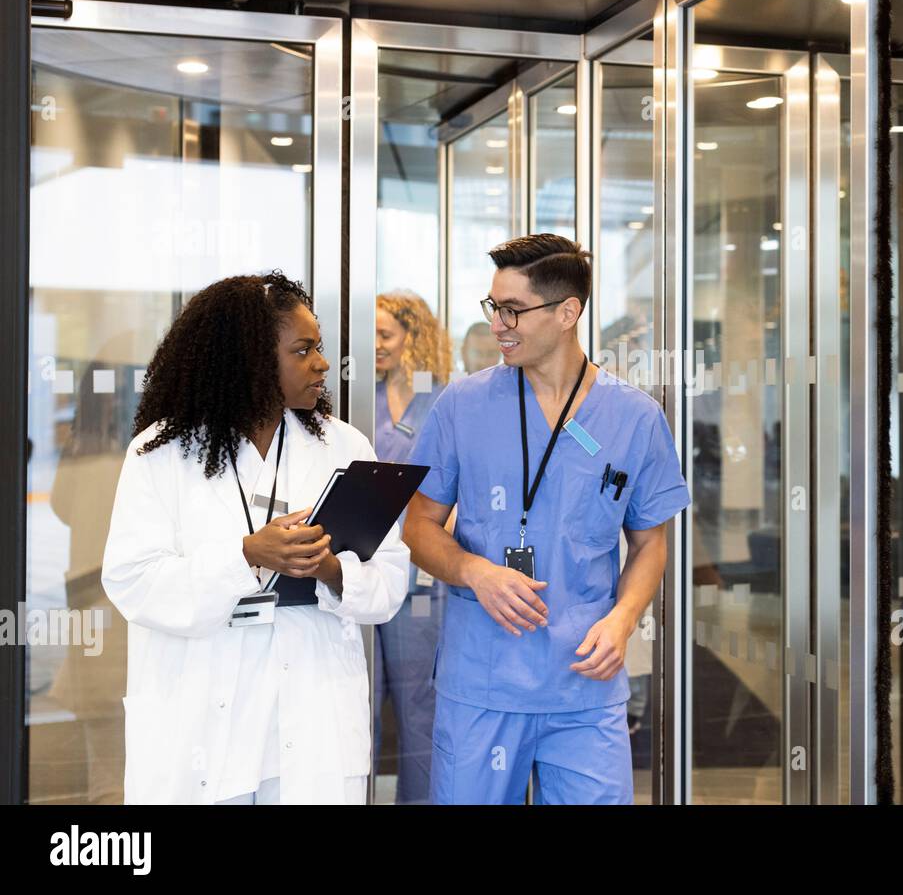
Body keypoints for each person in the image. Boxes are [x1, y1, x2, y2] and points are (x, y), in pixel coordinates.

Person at [100, 272, 409, 804]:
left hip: (313, 727)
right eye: (302, 349)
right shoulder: (163, 451)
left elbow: (390, 582)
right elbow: (131, 580)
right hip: (202, 726)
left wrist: (331, 570)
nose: (321, 363)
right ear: (249, 359)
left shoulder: (344, 446)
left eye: (319, 347)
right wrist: (247, 555)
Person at [404, 233, 689, 804]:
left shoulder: (635, 417)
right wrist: (475, 572)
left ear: (567, 313)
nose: (497, 325)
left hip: (584, 686)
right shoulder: (461, 407)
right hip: (483, 681)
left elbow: (650, 541)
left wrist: (623, 619)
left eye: (512, 310)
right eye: (493, 307)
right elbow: (417, 526)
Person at [373, 290, 452, 803]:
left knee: (420, 706)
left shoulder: (445, 399)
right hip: (356, 569)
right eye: (370, 336)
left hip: (420, 576)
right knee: (358, 702)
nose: (376, 346)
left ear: (413, 337)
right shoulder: (358, 397)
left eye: (385, 335)